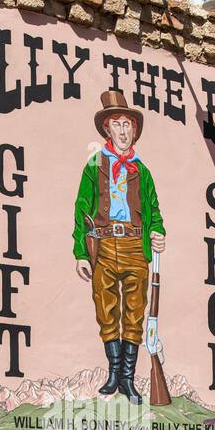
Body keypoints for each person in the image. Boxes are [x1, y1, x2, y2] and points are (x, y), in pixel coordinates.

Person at [73, 90, 166, 405]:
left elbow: (153, 212)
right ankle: (114, 374)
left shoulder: (143, 171)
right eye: (118, 124)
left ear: (134, 130)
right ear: (107, 130)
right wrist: (81, 253)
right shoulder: (95, 166)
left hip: (133, 245)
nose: (124, 131)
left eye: (128, 124)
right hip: (103, 243)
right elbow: (81, 210)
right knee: (106, 308)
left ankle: (128, 379)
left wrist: (158, 233)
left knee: (135, 311)